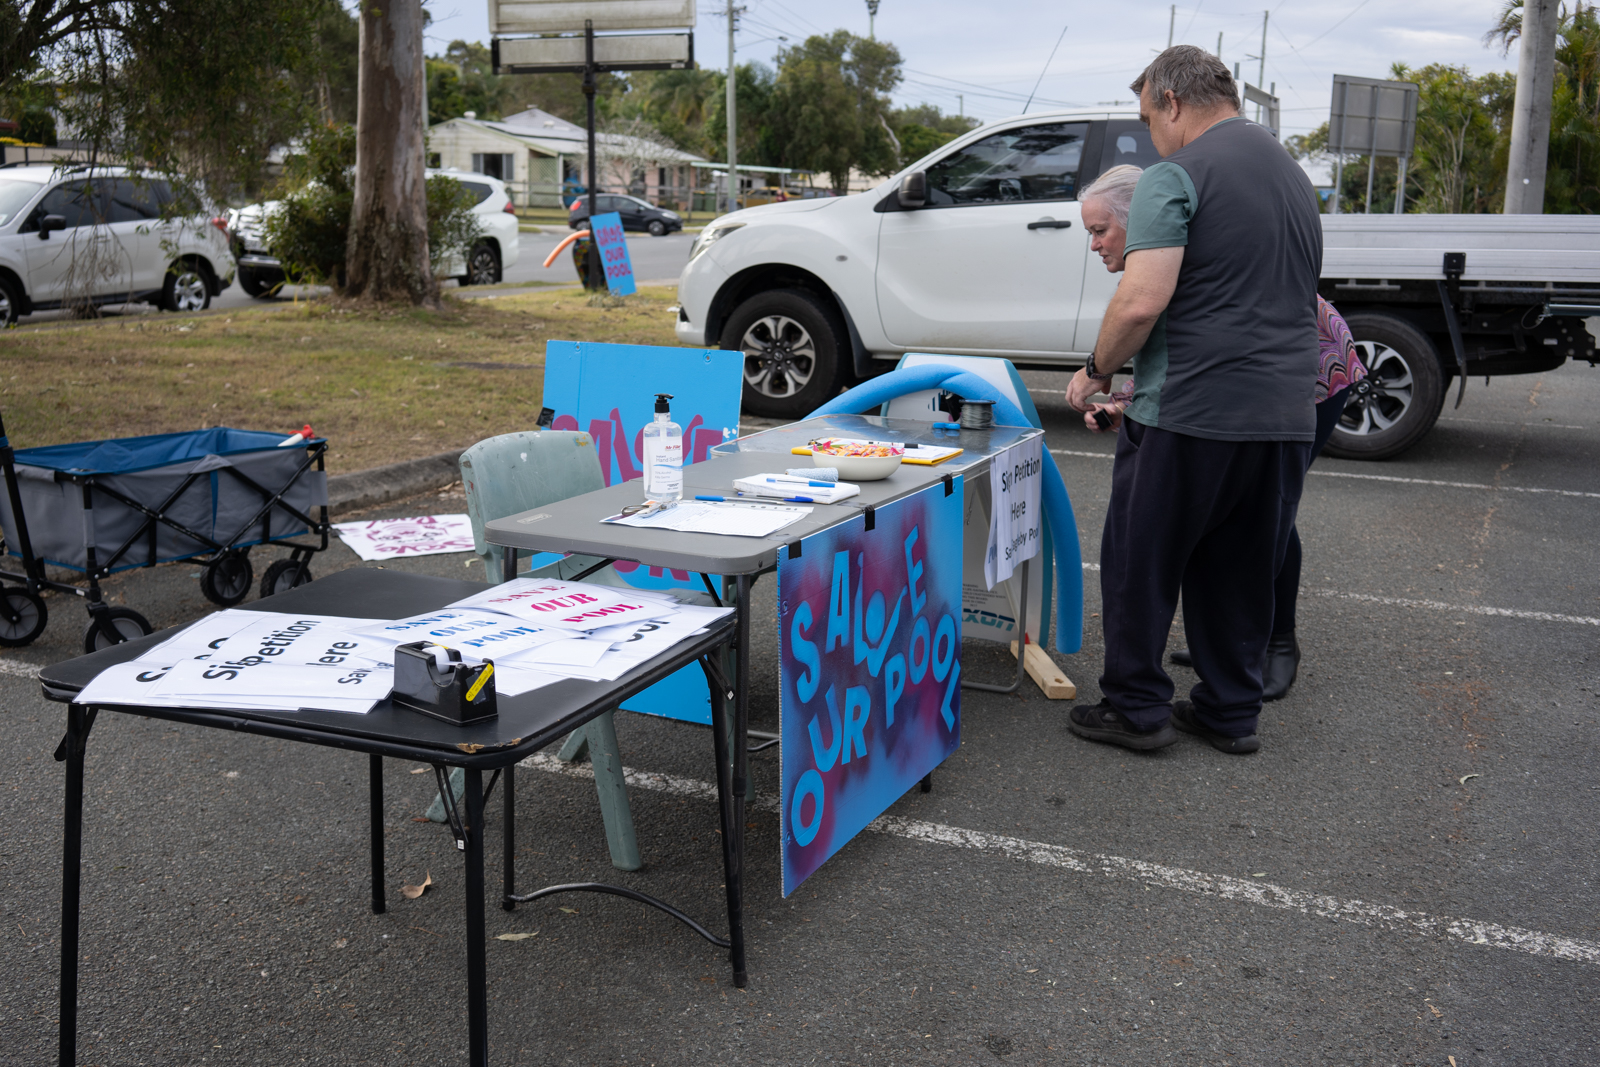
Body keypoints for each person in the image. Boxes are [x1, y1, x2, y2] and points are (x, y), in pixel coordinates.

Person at [1063, 45, 1323, 756]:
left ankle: (1137, 707)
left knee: (1140, 560)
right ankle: (1230, 710)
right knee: (1239, 566)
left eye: (1150, 118)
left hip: (1191, 413)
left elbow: (1143, 300)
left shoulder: (1175, 174)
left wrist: (1094, 371)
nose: (1152, 135)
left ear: (1173, 101)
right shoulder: (1292, 175)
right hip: (1283, 416)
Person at [1076, 164, 1367, 702]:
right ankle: (1229, 647)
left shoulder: (1172, 246)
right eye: (1089, 232)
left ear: (1137, 220)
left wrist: (1101, 375)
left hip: (1314, 376)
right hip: (1238, 378)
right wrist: (1124, 403)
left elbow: (1189, 333)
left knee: (1265, 513)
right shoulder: (1160, 252)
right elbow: (1179, 354)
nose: (1093, 244)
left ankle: (1277, 644)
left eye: (1100, 230)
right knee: (1223, 512)